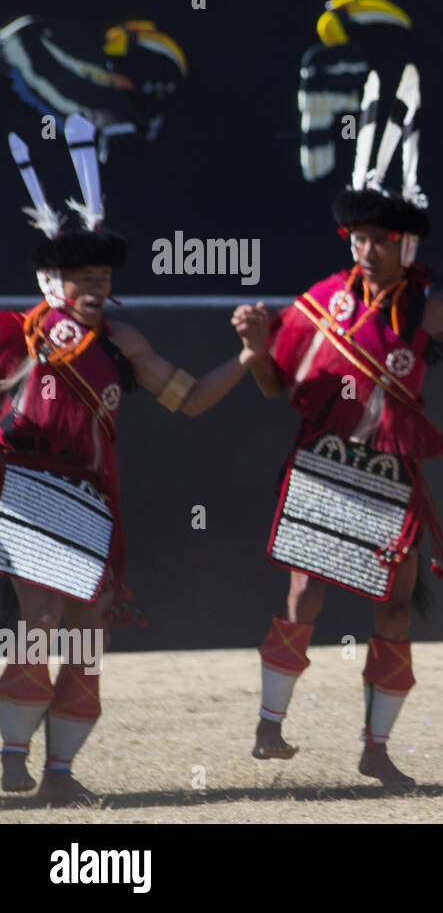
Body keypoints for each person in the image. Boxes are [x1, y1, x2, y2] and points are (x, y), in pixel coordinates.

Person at [238, 66, 443, 793]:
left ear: (406, 243)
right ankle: (270, 726)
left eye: (378, 239)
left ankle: (376, 749)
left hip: (391, 473)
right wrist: (252, 351)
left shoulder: (435, 311)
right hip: (326, 458)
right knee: (305, 592)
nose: (364, 250)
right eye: (357, 238)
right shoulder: (320, 302)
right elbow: (279, 386)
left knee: (397, 600)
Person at [0, 122, 257, 803]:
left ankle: (61, 774)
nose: (96, 287)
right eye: (82, 276)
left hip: (89, 499)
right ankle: (10, 754)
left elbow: (192, 399)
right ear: (52, 280)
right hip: (24, 489)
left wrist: (249, 359)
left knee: (86, 634)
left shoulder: (126, 341)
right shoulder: (13, 333)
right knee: (41, 618)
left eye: (104, 275)